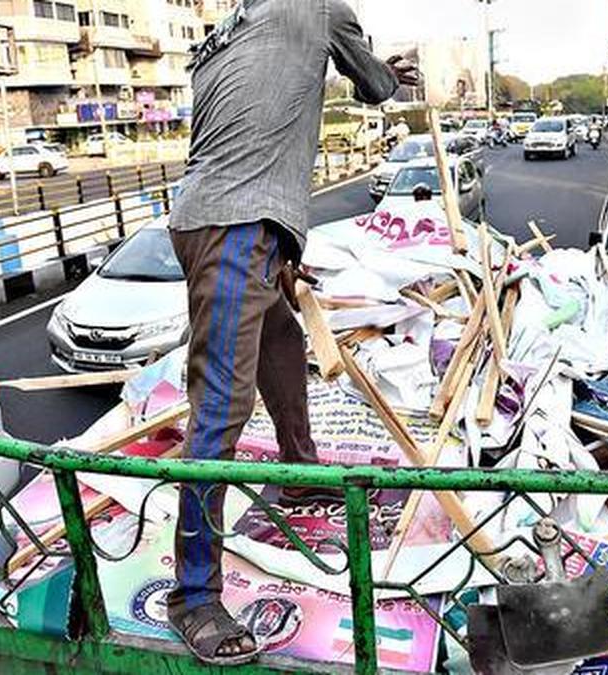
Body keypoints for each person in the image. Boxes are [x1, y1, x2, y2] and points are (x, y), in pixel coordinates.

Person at [164, 0, 418, 665]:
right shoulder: (320, 6)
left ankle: (299, 467)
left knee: (281, 338)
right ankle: (193, 594)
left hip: (219, 215)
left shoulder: (232, 25)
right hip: (235, 221)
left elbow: (259, 104)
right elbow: (378, 87)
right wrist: (388, 71)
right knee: (220, 410)